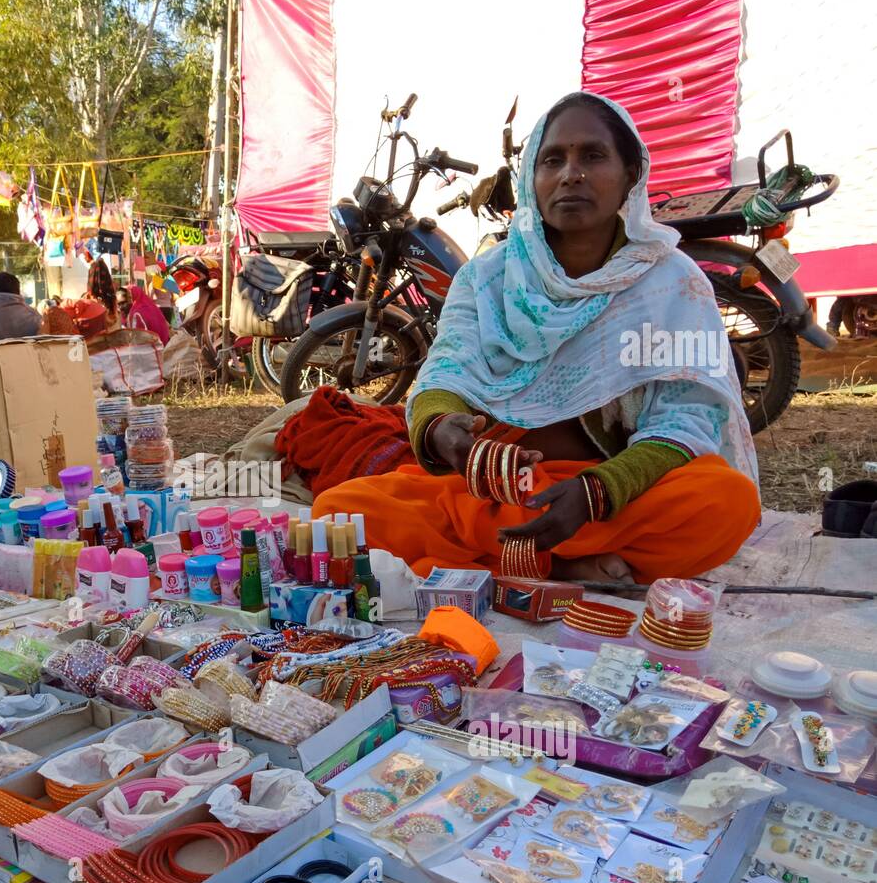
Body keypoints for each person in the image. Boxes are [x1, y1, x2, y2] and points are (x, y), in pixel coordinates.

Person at [313, 92, 759, 584]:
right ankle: (566, 564)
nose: (571, 174)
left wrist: (599, 492)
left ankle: (516, 560)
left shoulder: (672, 281)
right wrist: (440, 426)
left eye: (592, 155)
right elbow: (448, 369)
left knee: (726, 500)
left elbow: (688, 418)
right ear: (531, 178)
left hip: (614, 492)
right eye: (552, 160)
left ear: (631, 174)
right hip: (494, 492)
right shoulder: (487, 278)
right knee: (339, 512)